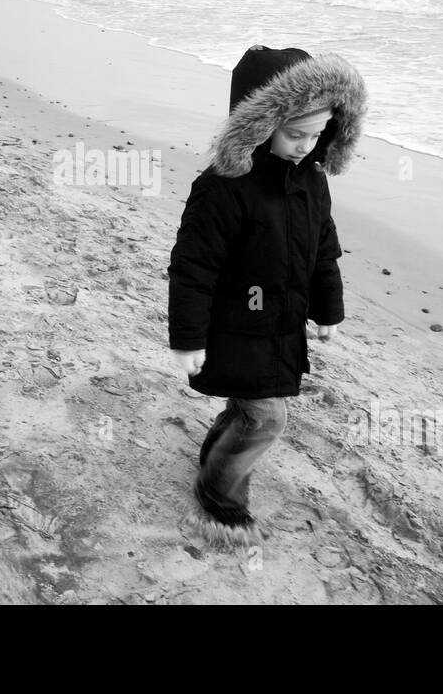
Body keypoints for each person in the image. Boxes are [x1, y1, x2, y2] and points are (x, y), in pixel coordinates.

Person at [168, 44, 367, 547]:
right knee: (266, 417)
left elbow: (324, 248)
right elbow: (193, 268)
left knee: (247, 409)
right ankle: (219, 500)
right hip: (234, 322)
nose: (305, 145)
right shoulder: (223, 188)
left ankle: (215, 454)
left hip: (283, 322)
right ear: (259, 125)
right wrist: (187, 339)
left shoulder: (312, 182)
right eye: (294, 133)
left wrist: (328, 310)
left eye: (317, 134)